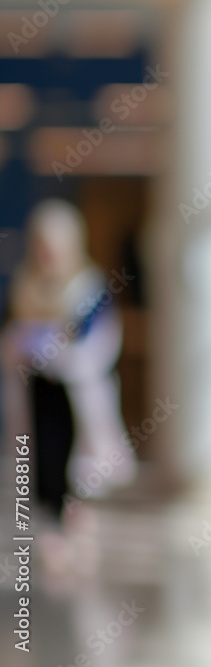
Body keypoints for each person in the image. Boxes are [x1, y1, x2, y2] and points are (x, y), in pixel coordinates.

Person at [1, 199, 136, 572]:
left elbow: (99, 339)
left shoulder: (86, 287)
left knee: (77, 456)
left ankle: (74, 516)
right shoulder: (26, 284)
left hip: (75, 390)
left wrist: (62, 351)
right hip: (37, 389)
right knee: (42, 455)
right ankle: (50, 520)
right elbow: (11, 331)